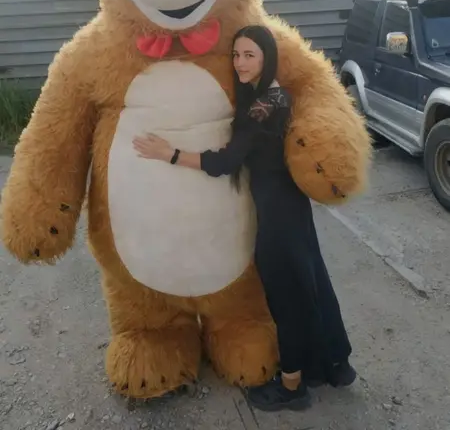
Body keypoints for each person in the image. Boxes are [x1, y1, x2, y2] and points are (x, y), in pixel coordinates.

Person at [132, 25, 356, 413]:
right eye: (236, 55)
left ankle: (292, 387)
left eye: (249, 55)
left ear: (267, 57)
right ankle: (335, 365)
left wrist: (169, 153)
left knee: (286, 297)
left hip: (279, 217)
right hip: (293, 208)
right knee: (311, 283)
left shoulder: (263, 108)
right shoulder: (274, 96)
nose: (239, 62)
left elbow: (225, 162)